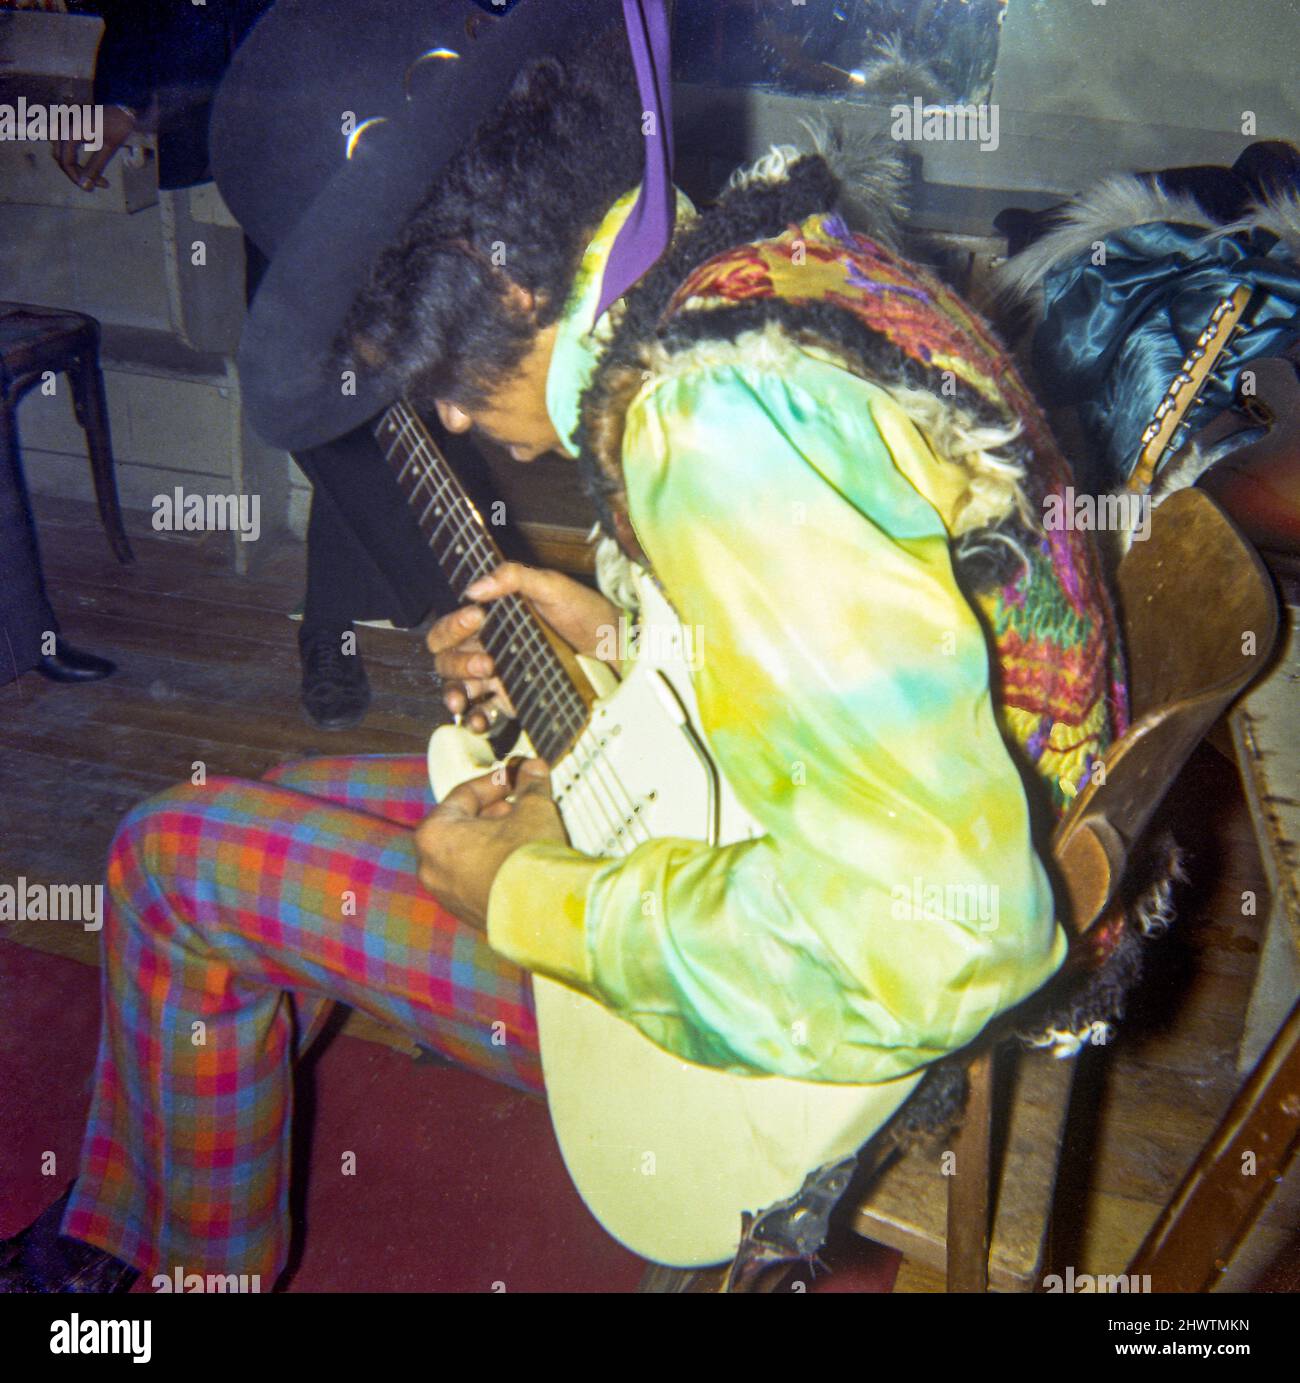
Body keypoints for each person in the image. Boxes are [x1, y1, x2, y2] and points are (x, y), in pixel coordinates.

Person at [1, 0, 1127, 1292]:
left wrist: (526, 890)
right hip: (804, 833)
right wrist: (613, 626)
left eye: (429, 371)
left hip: (796, 1050)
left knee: (168, 861)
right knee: (262, 824)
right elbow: (845, 635)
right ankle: (126, 1225)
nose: (437, 408)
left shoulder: (710, 421)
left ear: (502, 282)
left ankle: (154, 1259)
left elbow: (950, 933)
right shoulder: (754, 269)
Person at [51, 0, 459, 728]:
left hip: (410, 128)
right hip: (288, 141)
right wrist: (125, 98)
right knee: (305, 396)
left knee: (379, 395)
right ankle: (452, 606)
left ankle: (332, 632)